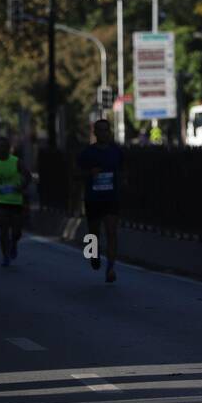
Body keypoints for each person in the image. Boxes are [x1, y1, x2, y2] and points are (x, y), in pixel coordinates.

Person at [77, 118, 122, 283]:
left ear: (109, 132)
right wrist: (90, 173)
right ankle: (93, 256)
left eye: (106, 130)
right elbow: (75, 174)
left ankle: (110, 268)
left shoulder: (116, 151)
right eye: (100, 130)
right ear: (94, 133)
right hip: (93, 199)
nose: (103, 133)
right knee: (93, 233)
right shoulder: (87, 153)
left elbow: (123, 170)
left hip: (111, 198)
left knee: (111, 232)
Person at [0, 136, 30, 267]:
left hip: (16, 201)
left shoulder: (16, 162)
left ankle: (14, 243)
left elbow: (28, 176)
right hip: (0, 201)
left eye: (4, 147)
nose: (2, 149)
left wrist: (22, 186)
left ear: (8, 148)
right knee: (3, 229)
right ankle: (5, 256)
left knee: (16, 232)